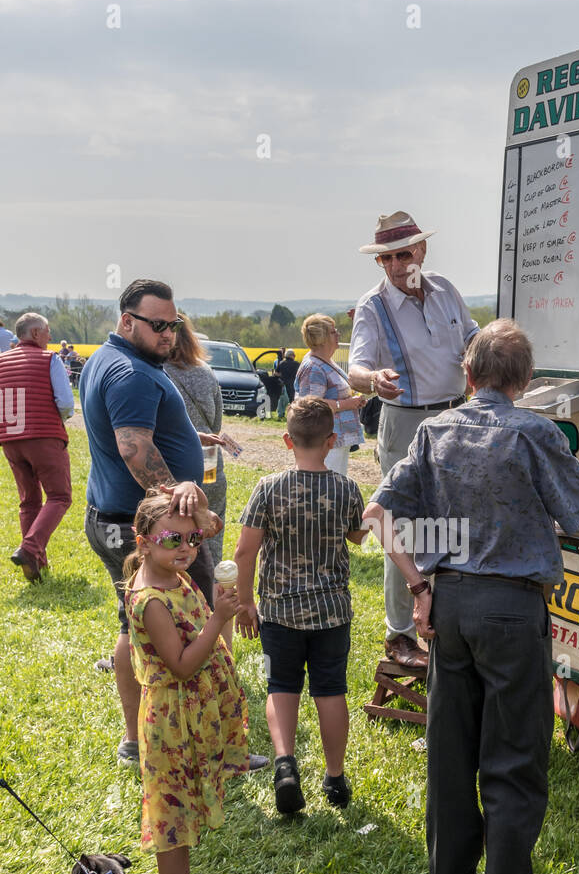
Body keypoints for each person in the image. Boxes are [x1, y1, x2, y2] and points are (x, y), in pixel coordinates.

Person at [362, 319, 579, 874]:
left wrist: (419, 588)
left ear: (470, 376)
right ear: (526, 382)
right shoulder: (535, 431)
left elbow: (376, 513)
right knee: (512, 766)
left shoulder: (434, 429)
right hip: (511, 612)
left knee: (450, 758)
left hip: (450, 606)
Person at [80, 276, 265, 769]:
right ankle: (215, 743)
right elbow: (134, 447)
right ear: (127, 321)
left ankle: (140, 741)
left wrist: (197, 439)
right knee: (203, 616)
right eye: (157, 325)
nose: (168, 334)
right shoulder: (132, 373)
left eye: (173, 324)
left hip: (114, 516)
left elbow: (149, 431)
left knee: (132, 621)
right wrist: (191, 512)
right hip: (145, 524)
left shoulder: (109, 358)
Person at [348, 210, 478, 669]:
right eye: (388, 258)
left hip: (455, 417)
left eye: (405, 253)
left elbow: (473, 339)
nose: (399, 264)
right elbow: (356, 367)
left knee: (449, 519)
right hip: (404, 423)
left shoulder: (445, 290)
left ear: (422, 250)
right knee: (398, 526)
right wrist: (373, 380)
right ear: (379, 263)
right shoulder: (373, 306)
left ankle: (444, 617)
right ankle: (399, 634)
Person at [235, 398, 366, 815]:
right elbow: (358, 537)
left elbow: (244, 552)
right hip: (331, 613)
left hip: (279, 612)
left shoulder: (268, 488)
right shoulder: (346, 488)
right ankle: (335, 777)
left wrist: (244, 603)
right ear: (331, 441)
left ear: (287, 440)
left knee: (282, 687)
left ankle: (285, 763)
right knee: (331, 690)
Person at [123, 492, 246, 874]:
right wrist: (218, 617)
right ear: (142, 542)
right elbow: (180, 665)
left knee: (185, 807)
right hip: (170, 722)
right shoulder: (151, 599)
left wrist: (193, 494)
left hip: (188, 717)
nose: (185, 547)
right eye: (172, 538)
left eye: (191, 539)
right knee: (171, 818)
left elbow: (205, 521)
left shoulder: (176, 572)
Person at [0, 312, 74, 582]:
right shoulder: (49, 359)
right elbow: (65, 402)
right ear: (34, 333)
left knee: (29, 501)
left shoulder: (1, 361)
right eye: (47, 331)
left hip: (10, 439)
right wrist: (61, 419)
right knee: (59, 496)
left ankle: (36, 563)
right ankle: (30, 549)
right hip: (44, 436)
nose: (50, 337)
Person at [164, 313, 240, 567]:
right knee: (211, 523)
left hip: (175, 462)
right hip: (209, 460)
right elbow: (216, 423)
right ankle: (211, 582)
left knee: (177, 524)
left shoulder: (158, 372)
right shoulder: (206, 372)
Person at [295, 314, 365, 475]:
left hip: (336, 440)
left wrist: (354, 400)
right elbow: (311, 406)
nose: (338, 334)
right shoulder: (313, 367)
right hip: (324, 440)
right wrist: (348, 404)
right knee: (328, 486)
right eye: (333, 332)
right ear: (322, 338)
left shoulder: (325, 361)